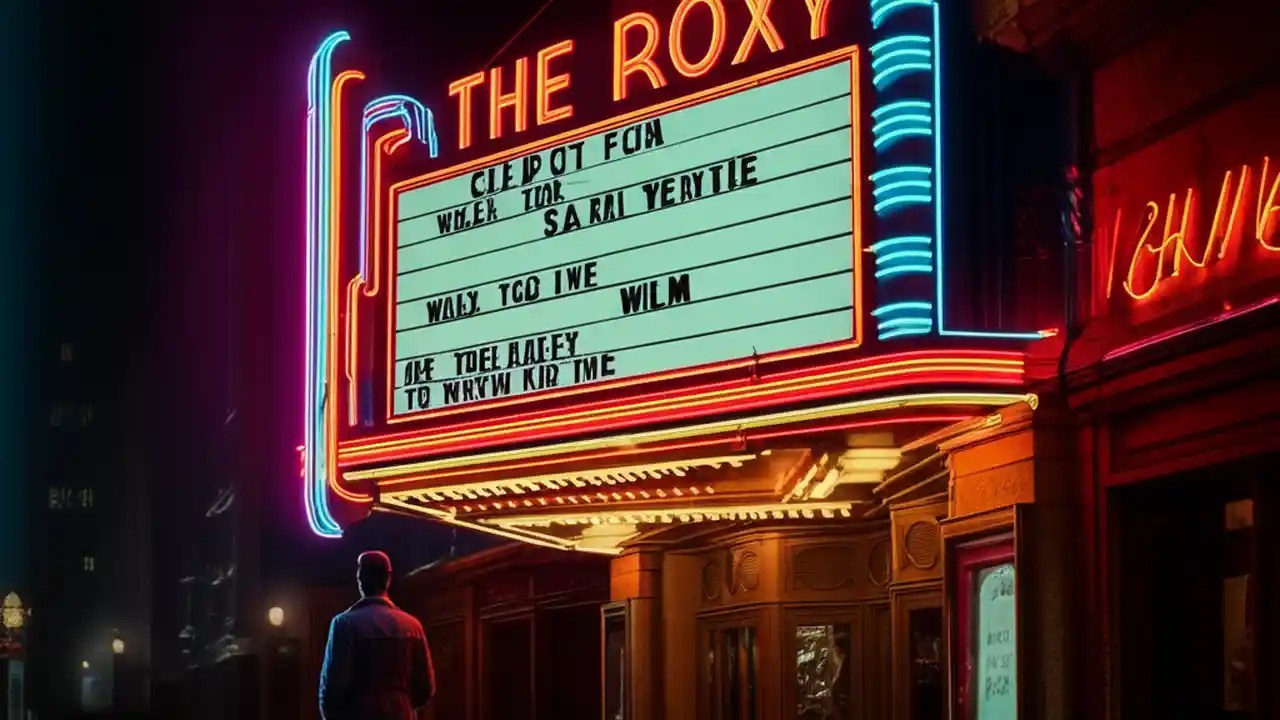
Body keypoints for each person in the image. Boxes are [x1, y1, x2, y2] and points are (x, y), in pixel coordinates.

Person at [319, 551, 436, 719]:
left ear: (360, 578)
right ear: (388, 579)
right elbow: (426, 688)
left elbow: (331, 689)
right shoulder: (413, 626)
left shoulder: (345, 624)